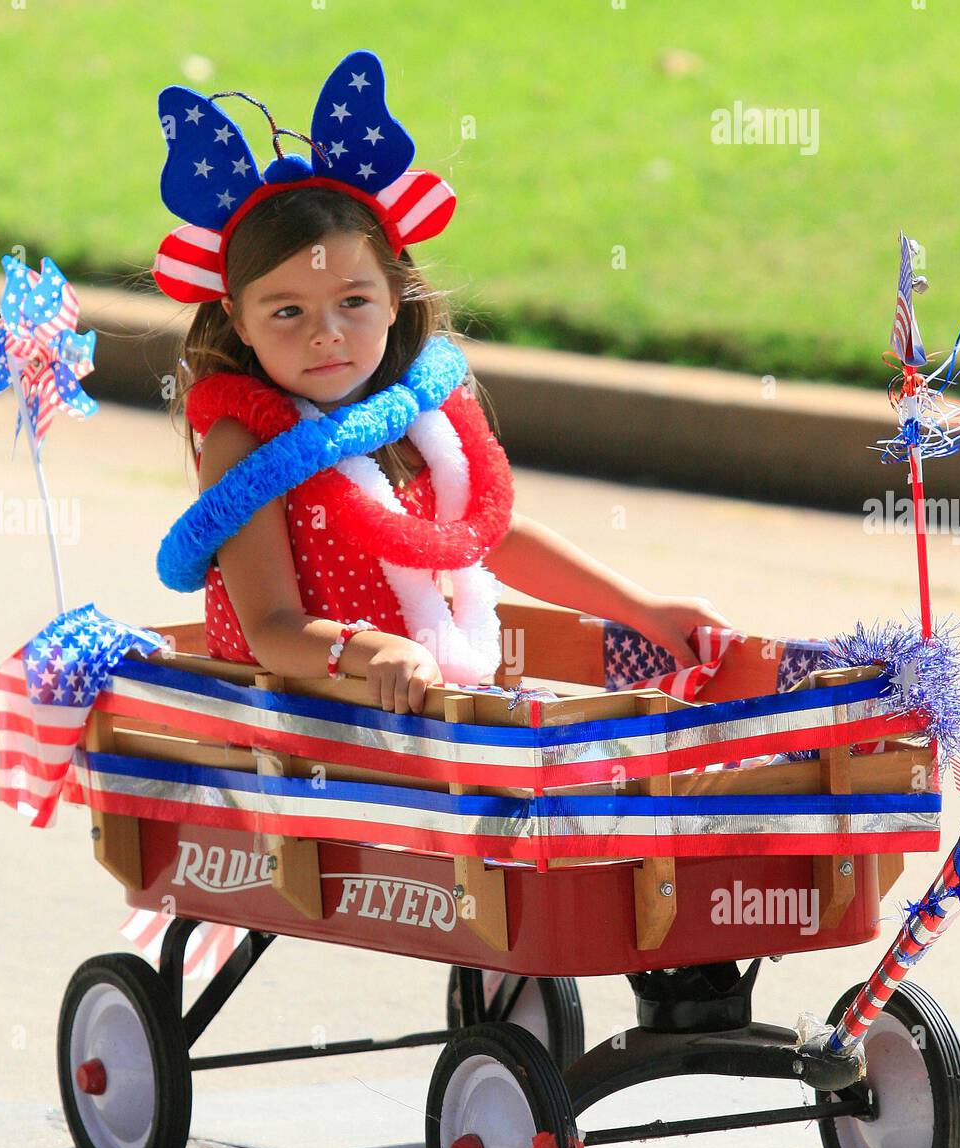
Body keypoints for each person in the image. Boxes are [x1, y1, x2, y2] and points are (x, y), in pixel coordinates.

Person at [151, 54, 731, 715]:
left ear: (395, 298)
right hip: (314, 726)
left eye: (353, 302)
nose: (326, 334)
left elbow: (489, 537)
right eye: (287, 311)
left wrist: (638, 607)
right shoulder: (245, 441)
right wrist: (375, 651)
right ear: (239, 321)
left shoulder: (413, 408)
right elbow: (272, 627)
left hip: (432, 706)